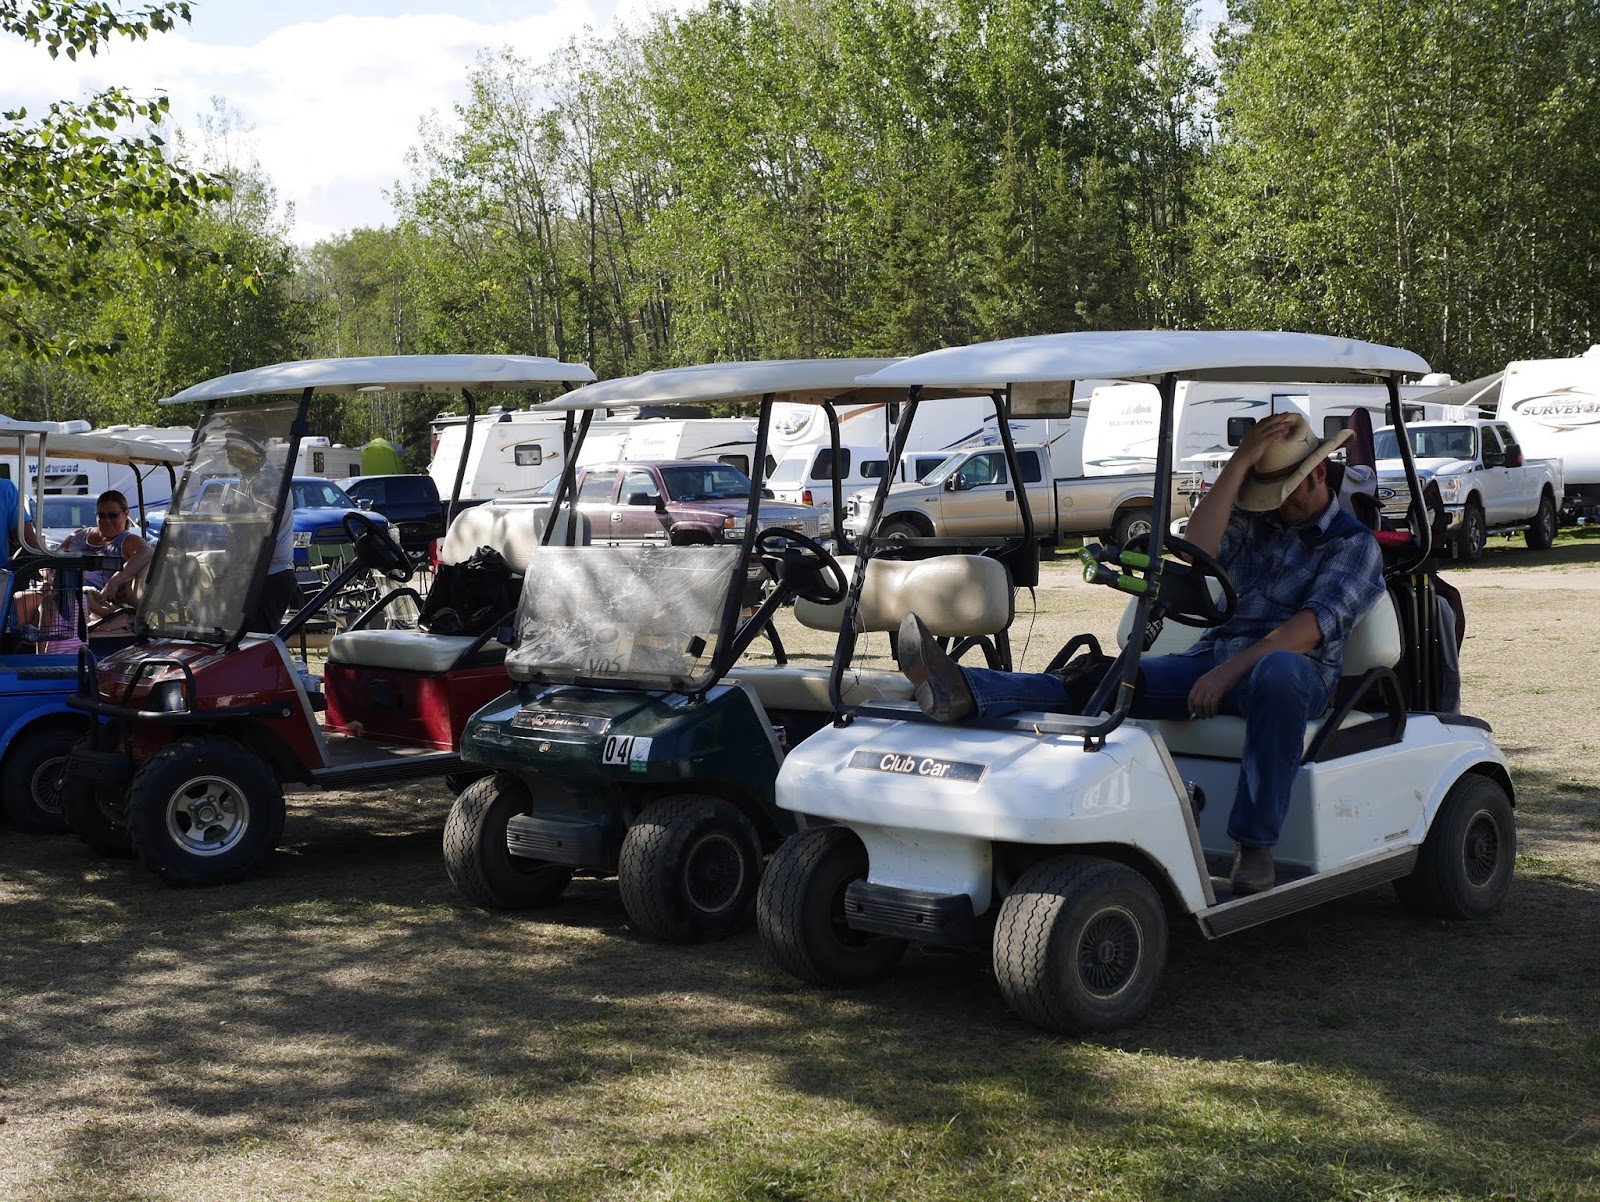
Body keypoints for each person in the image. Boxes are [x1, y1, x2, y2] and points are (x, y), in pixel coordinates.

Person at [897, 412, 1386, 895]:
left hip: (1296, 675)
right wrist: (1238, 465)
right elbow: (1195, 551)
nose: (1279, 504)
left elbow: (1307, 631)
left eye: (1287, 491)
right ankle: (965, 689)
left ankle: (1254, 845)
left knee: (1276, 671)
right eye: (1269, 492)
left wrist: (1229, 672)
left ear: (1319, 474)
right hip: (1216, 657)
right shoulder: (1259, 522)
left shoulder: (1353, 545)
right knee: (1103, 676)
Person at [59, 490, 153, 616]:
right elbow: (55, 557)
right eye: (101, 515)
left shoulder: (128, 541)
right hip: (62, 591)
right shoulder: (79, 535)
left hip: (91, 600)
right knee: (27, 598)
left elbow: (147, 552)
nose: (107, 520)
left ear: (126, 514)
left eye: (113, 515)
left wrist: (115, 581)